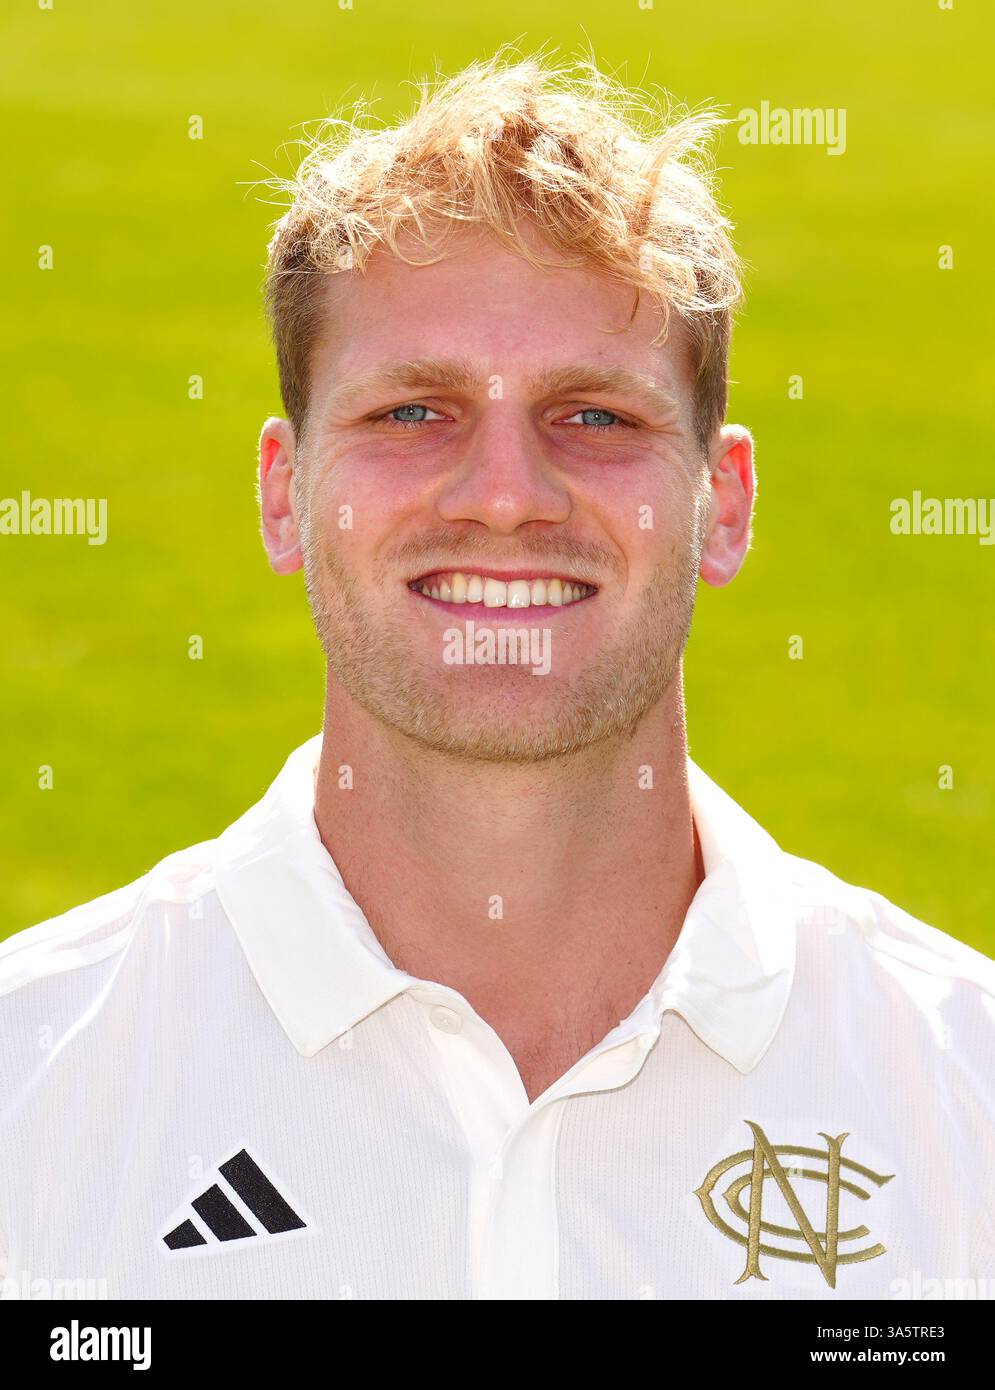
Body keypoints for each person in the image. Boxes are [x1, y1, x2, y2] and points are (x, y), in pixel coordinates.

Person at [2, 48, 992, 1302]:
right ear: (283, 495)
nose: (507, 497)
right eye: (412, 412)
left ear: (724, 501)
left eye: (596, 416)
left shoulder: (961, 1093)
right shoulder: (31, 1082)